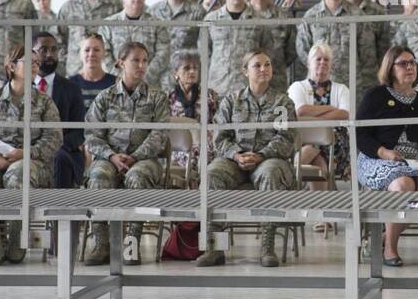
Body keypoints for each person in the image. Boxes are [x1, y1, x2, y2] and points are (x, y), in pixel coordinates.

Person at [0, 45, 62, 265]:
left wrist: (26, 153)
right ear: (11, 66)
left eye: (37, 63)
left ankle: (16, 240)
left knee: (18, 175)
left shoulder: (45, 103)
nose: (36, 66)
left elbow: (54, 140)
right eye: (29, 62)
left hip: (31, 162)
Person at [208, 50, 298, 268]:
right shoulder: (231, 100)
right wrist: (236, 155)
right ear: (245, 71)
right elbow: (219, 137)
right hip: (234, 160)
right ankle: (216, 248)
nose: (263, 69)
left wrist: (260, 155)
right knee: (212, 175)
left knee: (269, 174)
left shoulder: (282, 103)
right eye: (257, 65)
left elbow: (286, 138)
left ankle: (267, 248)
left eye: (267, 65)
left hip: (270, 159)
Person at [83, 42, 170, 266]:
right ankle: (101, 243)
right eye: (135, 60)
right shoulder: (105, 97)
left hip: (144, 160)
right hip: (109, 158)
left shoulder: (157, 98)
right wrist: (112, 156)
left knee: (138, 177)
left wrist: (135, 157)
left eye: (144, 61)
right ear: (121, 62)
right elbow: (92, 135)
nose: (141, 65)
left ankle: (132, 243)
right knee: (99, 176)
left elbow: (159, 135)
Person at [355, 46, 418, 266]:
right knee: (404, 185)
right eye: (403, 63)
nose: (410, 67)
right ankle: (390, 249)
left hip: (415, 162)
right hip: (377, 158)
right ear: (390, 68)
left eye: (412, 63)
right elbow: (360, 135)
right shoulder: (375, 96)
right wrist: (383, 152)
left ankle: (382, 237)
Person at [164, 49, 223, 266]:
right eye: (186, 68)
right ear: (175, 73)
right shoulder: (167, 99)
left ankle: (208, 237)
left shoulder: (210, 96)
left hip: (206, 151)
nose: (192, 72)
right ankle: (185, 234)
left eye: (195, 68)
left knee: (209, 171)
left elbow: (219, 127)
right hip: (178, 154)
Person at [297, 0, 375, 91]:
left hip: (351, 84)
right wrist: (318, 69)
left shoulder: (357, 15)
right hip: (319, 83)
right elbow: (303, 49)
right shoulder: (311, 16)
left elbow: (367, 53)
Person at [288, 41, 352, 188]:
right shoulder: (297, 87)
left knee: (316, 146)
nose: (322, 62)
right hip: (302, 141)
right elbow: (300, 112)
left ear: (331, 65)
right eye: (318, 59)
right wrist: (330, 108)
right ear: (308, 63)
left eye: (326, 59)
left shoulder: (341, 89)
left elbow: (343, 114)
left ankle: (285, 175)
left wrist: (312, 119)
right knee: (320, 165)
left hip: (335, 143)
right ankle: (323, 203)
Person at [31, 31, 87, 189]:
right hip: (26, 149)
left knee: (59, 158)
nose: (50, 54)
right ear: (32, 53)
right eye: (44, 50)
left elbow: (79, 131)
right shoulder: (20, 86)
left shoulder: (72, 88)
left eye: (54, 50)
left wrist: (50, 148)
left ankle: (59, 212)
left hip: (63, 150)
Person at [204, 0, 274, 96]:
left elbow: (267, 51)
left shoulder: (259, 20)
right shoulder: (211, 19)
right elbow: (204, 53)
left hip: (249, 88)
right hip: (218, 88)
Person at [57, 0, 121, 77]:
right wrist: (67, 59)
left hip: (106, 70)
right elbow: (59, 37)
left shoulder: (114, 6)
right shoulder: (69, 7)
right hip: (75, 69)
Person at [103, 0, 169, 88]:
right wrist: (121, 78)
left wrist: (143, 76)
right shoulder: (108, 24)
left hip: (149, 86)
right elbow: (104, 55)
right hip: (117, 86)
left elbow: (163, 54)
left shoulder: (157, 24)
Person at [149, 0, 204, 85]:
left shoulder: (198, 12)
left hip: (187, 78)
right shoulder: (152, 12)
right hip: (159, 78)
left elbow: (204, 47)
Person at [343, 0, 390, 98]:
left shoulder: (377, 12)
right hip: (341, 80)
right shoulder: (337, 11)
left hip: (369, 79)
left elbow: (384, 46)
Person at [247, 0, 296, 94]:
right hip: (246, 82)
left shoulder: (283, 16)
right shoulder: (241, 17)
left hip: (276, 79)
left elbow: (292, 49)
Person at [69, 33, 116, 112]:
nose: (91, 54)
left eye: (96, 50)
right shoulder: (69, 84)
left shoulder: (115, 84)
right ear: (80, 53)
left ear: (104, 53)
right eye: (87, 50)